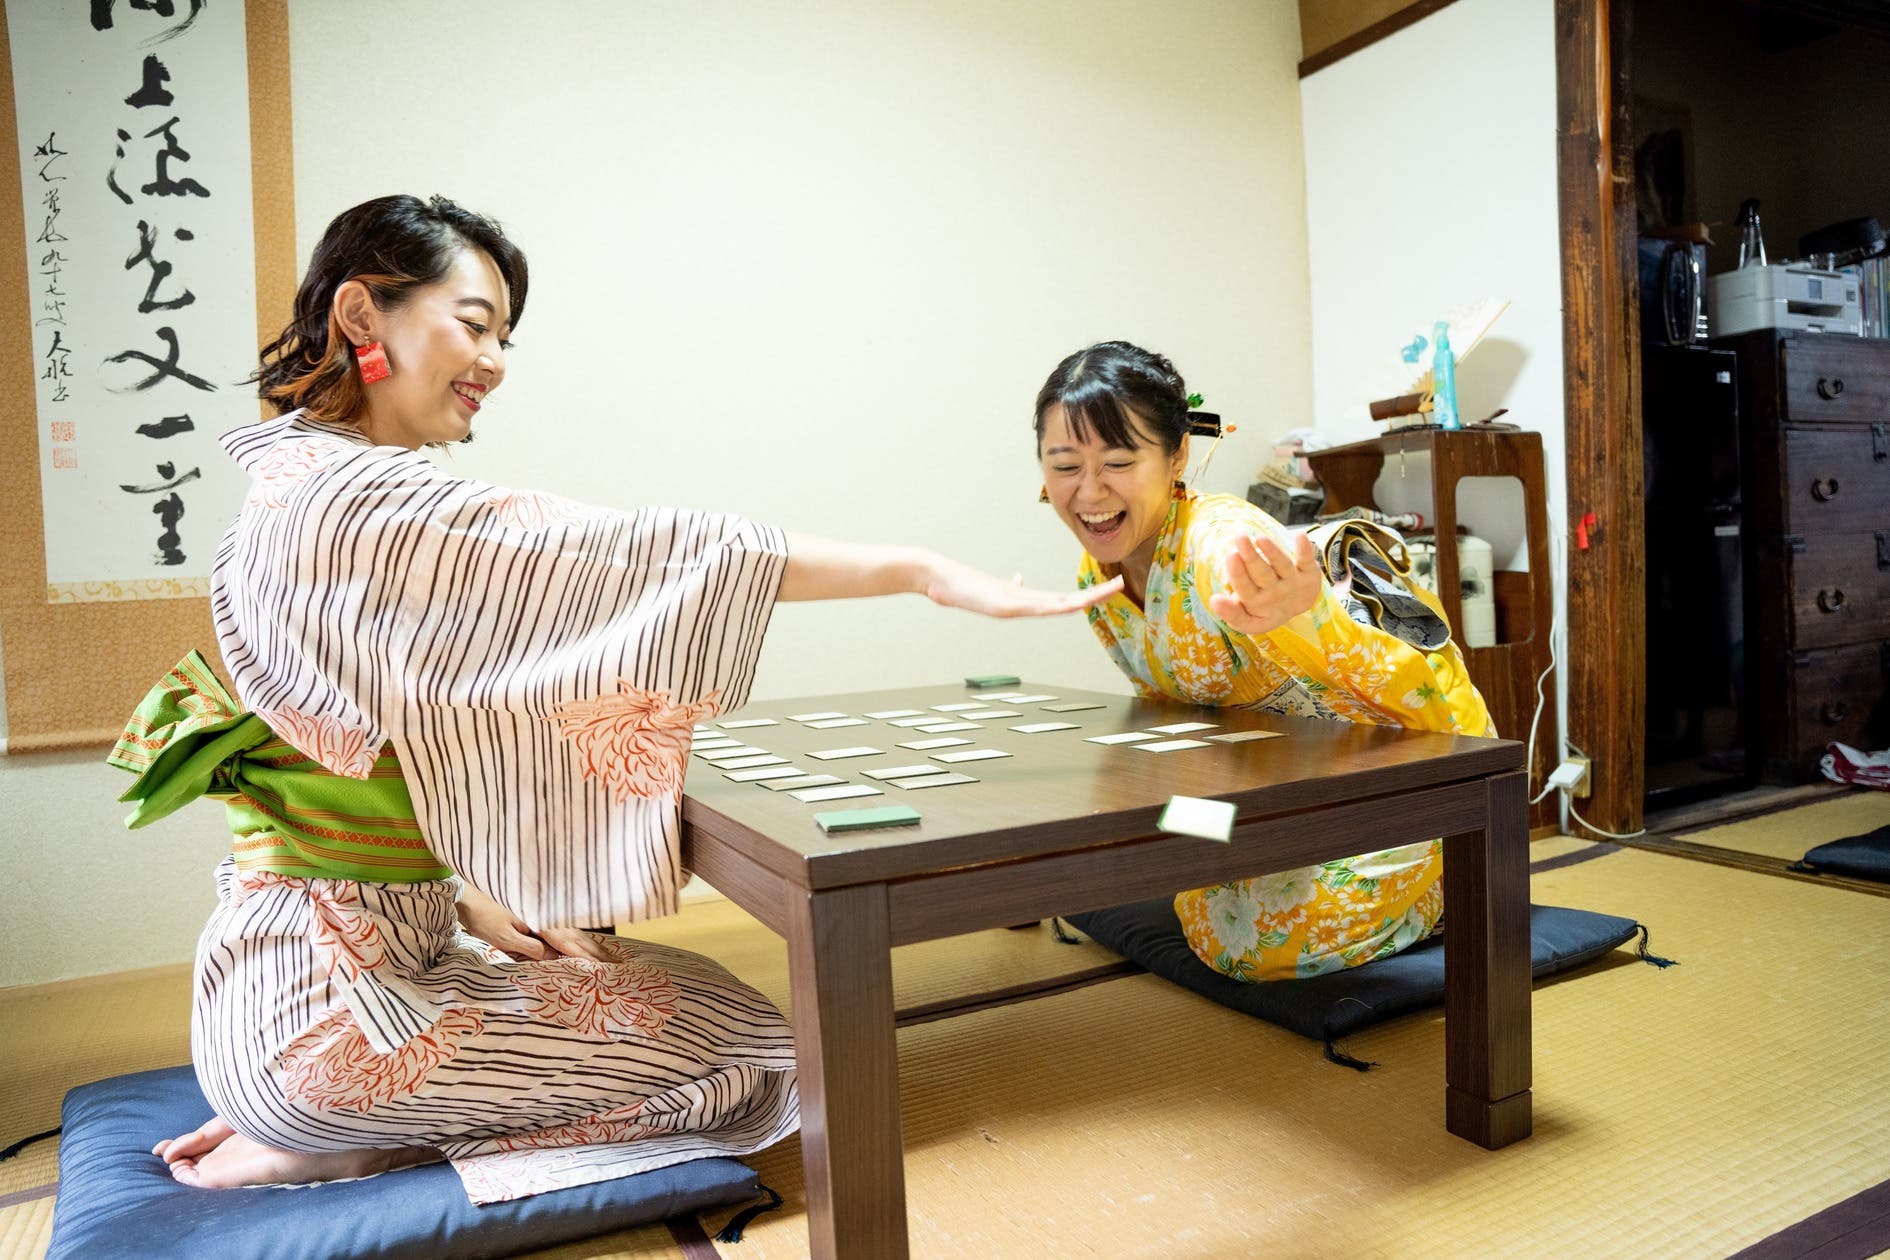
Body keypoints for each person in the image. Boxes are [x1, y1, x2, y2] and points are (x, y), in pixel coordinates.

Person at [121, 194, 1120, 1204]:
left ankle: (315, 1109)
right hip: (329, 1008)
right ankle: (349, 1140)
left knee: (673, 989)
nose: (496, 361)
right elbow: (639, 553)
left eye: (504, 337)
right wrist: (918, 569)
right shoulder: (356, 499)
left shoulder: (308, 481)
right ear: (361, 315)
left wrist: (469, 896)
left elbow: (376, 737)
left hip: (301, 968)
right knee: (768, 1057)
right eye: (473, 324)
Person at [1032, 341, 1493, 983]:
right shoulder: (1098, 574)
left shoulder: (1217, 540)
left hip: (1398, 771)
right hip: (1282, 785)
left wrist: (1305, 602)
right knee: (1144, 831)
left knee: (1260, 941)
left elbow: (1261, 556)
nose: (1089, 492)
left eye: (1117, 460)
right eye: (1065, 465)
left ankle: (1451, 880)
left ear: (1177, 455)